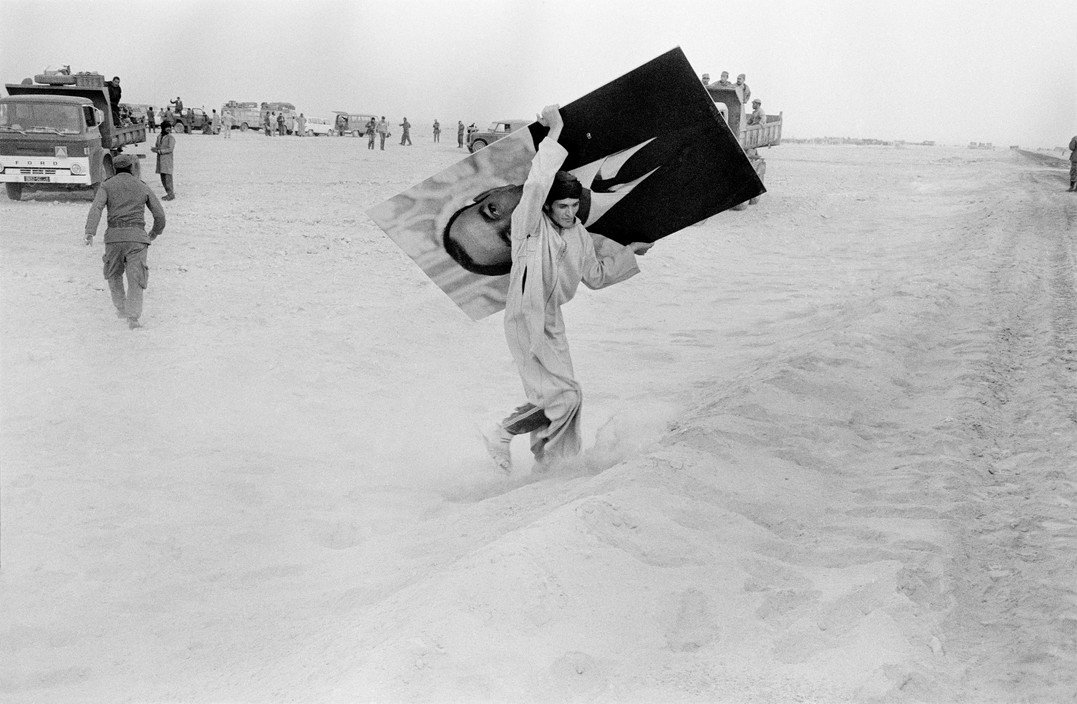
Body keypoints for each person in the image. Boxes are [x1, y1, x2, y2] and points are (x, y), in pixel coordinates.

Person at [480, 105, 654, 474]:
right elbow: (537, 181)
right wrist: (555, 131)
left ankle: (551, 463)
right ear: (548, 206)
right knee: (564, 396)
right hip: (525, 315)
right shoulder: (529, 227)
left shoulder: (578, 236)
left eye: (575, 205)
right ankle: (502, 432)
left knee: (568, 399)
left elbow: (595, 276)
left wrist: (629, 253)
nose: (569, 212)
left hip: (552, 321)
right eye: (562, 206)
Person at [84, 153, 166, 330]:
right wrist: (154, 232)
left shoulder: (107, 185)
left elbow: (96, 208)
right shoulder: (141, 186)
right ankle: (133, 317)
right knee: (136, 277)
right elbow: (159, 214)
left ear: (114, 169)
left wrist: (90, 232)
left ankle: (121, 308)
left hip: (113, 238)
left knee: (113, 274)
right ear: (131, 168)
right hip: (137, 239)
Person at [151, 122, 176, 201]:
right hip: (160, 160)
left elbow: (170, 149)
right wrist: (155, 149)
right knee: (163, 177)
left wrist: (160, 151)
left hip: (167, 160)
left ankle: (171, 194)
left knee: (168, 177)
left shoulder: (170, 138)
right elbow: (158, 145)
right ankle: (168, 193)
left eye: (170, 127)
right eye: (167, 127)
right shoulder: (159, 136)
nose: (169, 129)